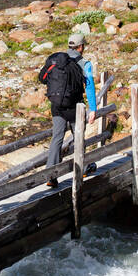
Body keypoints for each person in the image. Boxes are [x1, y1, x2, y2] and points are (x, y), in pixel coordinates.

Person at [38, 31, 97, 188]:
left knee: (56, 138)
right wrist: (93, 108)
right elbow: (89, 87)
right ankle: (82, 168)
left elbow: (44, 79)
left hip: (57, 106)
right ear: (81, 47)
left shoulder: (57, 61)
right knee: (78, 137)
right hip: (75, 107)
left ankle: (51, 175)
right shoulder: (84, 63)